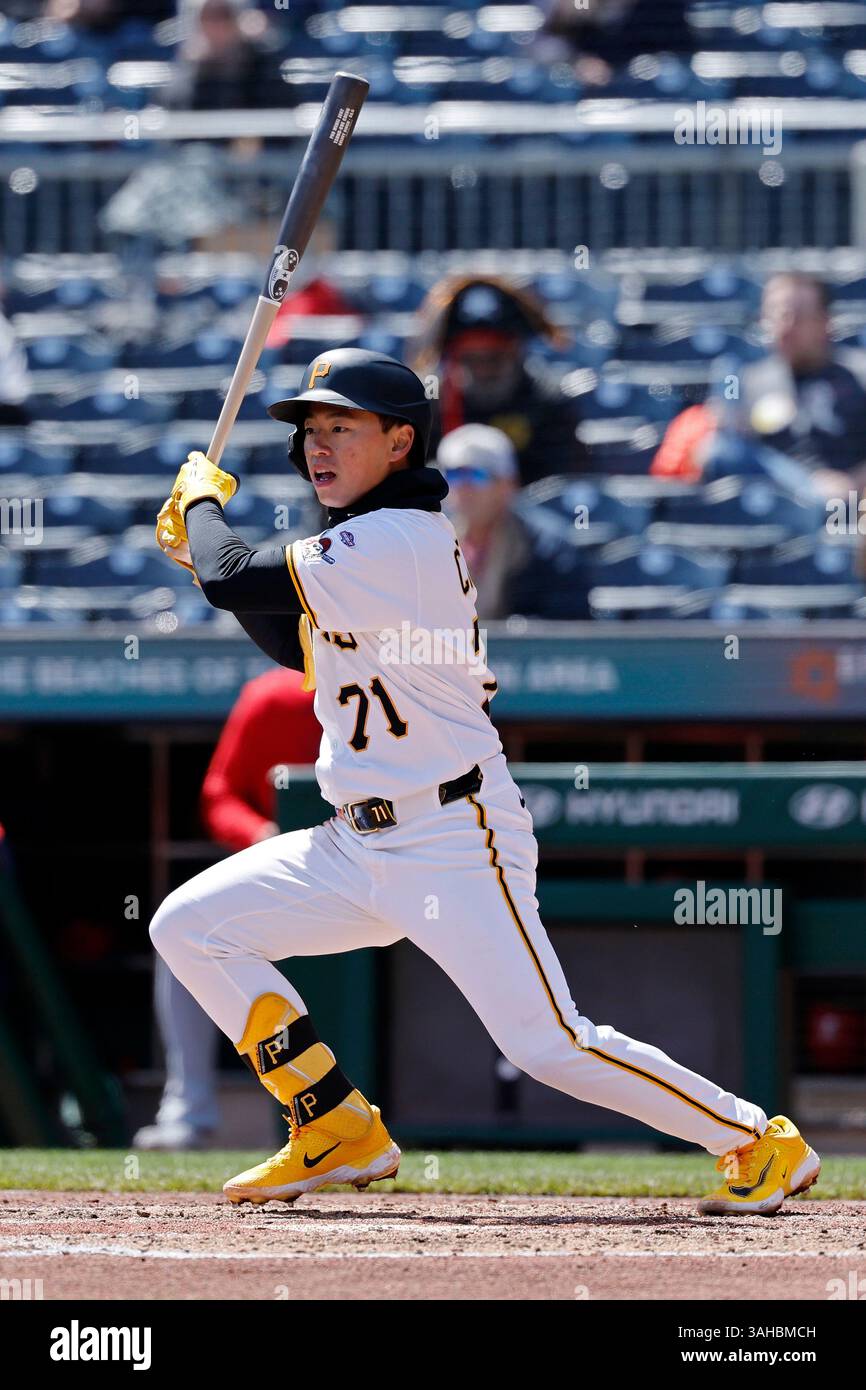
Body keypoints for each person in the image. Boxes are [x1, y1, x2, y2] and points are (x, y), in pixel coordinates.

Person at [151, 347, 820, 1216]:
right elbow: (289, 642)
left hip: (453, 839)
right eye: (313, 430)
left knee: (548, 1044)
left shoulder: (399, 537)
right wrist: (203, 552)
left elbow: (234, 575)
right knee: (191, 927)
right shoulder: (362, 549)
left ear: (399, 442)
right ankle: (332, 1123)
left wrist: (203, 513)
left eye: (342, 428)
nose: (319, 445)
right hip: (354, 841)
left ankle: (756, 1139)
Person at [133, 668, 320, 1150]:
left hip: (391, 878)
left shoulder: (405, 685)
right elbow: (221, 794)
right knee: (182, 931)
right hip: (296, 879)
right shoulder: (277, 698)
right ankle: (189, 1110)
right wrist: (261, 836)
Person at [411, 274, 588, 487]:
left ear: (516, 352)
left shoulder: (550, 404)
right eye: (471, 359)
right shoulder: (430, 408)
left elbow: (562, 483)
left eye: (494, 357)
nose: (483, 368)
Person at [438, 423, 539, 620]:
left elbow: (557, 633)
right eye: (455, 475)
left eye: (477, 475)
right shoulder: (431, 542)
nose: (465, 488)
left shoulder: (544, 551)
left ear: (507, 485)